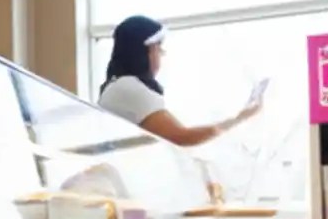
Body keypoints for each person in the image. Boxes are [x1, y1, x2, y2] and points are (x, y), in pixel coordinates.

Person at [97, 15, 260, 147]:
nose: (161, 54)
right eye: (159, 49)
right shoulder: (129, 88)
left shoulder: (119, 86)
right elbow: (183, 137)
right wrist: (239, 118)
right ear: (147, 51)